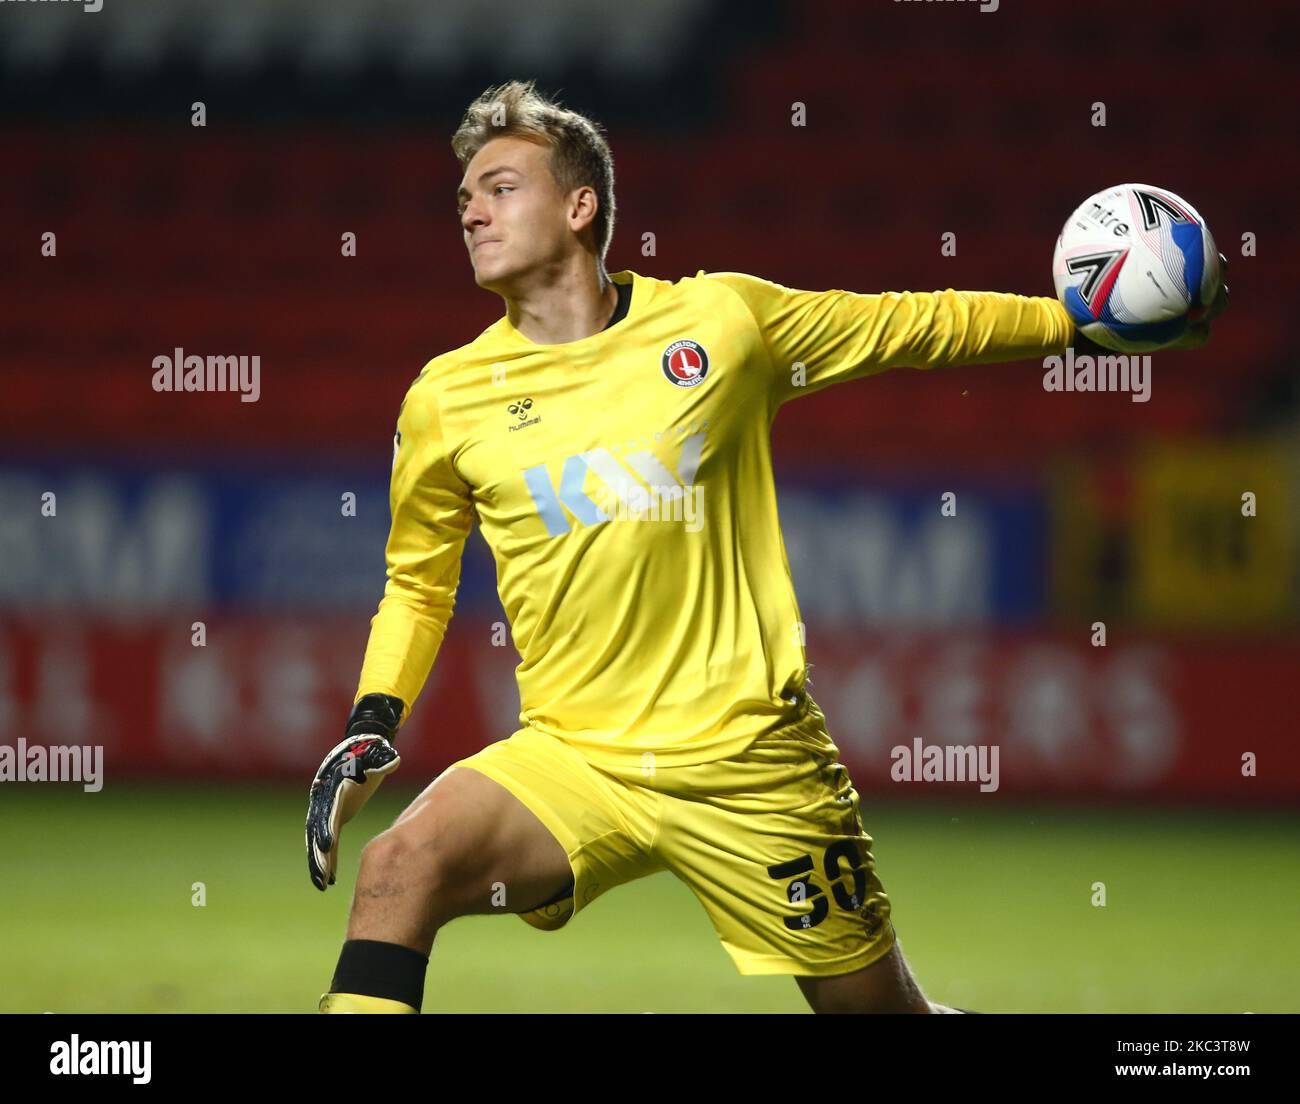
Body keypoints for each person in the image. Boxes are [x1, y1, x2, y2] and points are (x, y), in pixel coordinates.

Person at [306, 79, 1225, 1014]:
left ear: (580, 206)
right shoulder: (446, 397)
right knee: (399, 868)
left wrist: (1080, 324)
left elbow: (913, 325)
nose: (470, 207)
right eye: (464, 194)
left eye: (500, 185)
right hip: (575, 757)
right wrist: (372, 721)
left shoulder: (722, 324)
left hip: (751, 758)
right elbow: (416, 585)